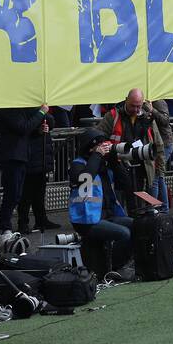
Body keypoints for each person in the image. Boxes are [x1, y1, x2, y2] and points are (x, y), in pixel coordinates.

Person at [67, 130, 133, 277]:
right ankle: (114, 269)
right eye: (100, 145)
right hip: (86, 220)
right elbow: (86, 178)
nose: (104, 147)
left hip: (107, 215)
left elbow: (127, 184)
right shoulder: (78, 165)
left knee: (136, 225)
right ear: (90, 148)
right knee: (124, 233)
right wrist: (97, 155)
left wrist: (115, 160)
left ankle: (125, 263)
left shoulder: (105, 165)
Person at [0, 104, 50, 246]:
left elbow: (25, 131)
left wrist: (38, 130)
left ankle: (4, 227)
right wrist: (41, 113)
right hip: (12, 156)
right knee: (12, 194)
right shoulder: (8, 109)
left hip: (19, 155)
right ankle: (4, 228)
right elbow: (23, 128)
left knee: (16, 194)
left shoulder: (16, 110)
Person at [97, 90, 166, 207]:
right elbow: (98, 137)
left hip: (141, 169)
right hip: (116, 168)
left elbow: (158, 145)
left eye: (138, 106)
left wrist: (160, 171)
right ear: (126, 100)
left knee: (141, 206)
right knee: (118, 205)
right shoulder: (113, 115)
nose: (135, 109)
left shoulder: (147, 118)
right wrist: (112, 149)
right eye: (132, 106)